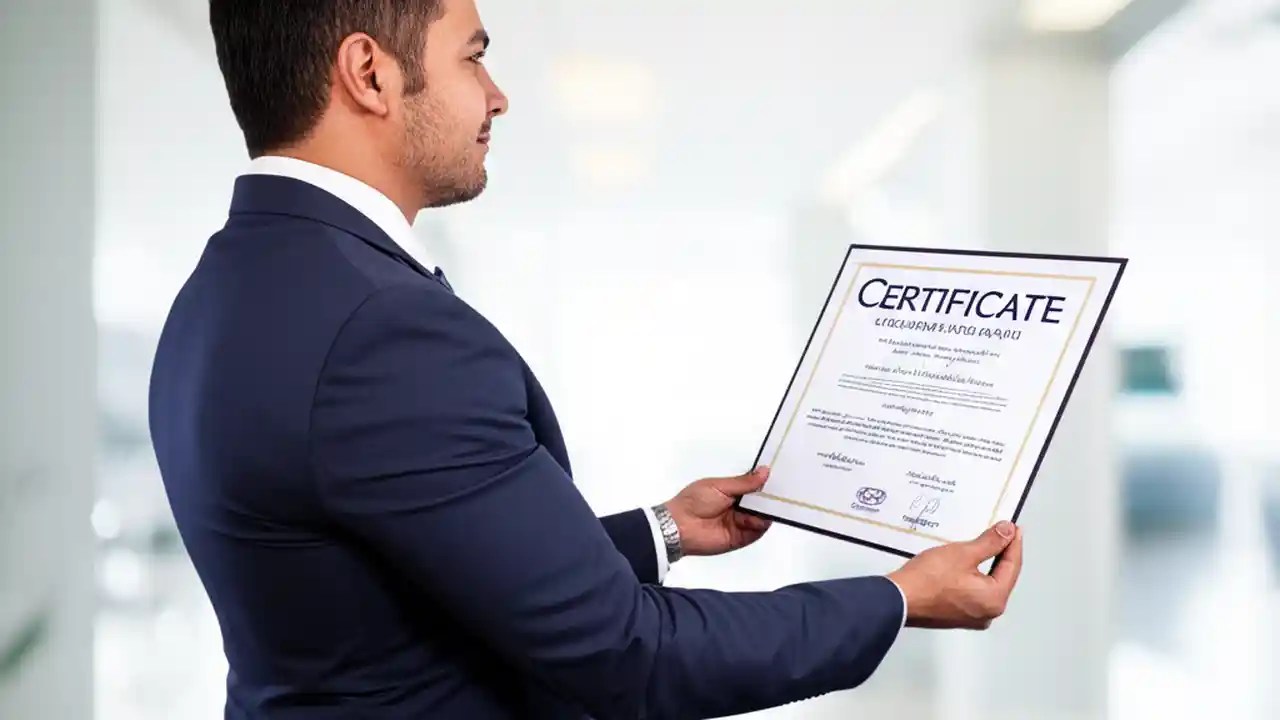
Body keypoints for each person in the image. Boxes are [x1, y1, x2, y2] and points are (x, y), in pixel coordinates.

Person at [149, 1, 1024, 717]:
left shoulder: (223, 290)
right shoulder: (381, 329)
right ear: (370, 73)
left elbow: (406, 589)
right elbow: (628, 654)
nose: (497, 96)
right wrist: (901, 597)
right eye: (473, 57)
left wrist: (664, 531)